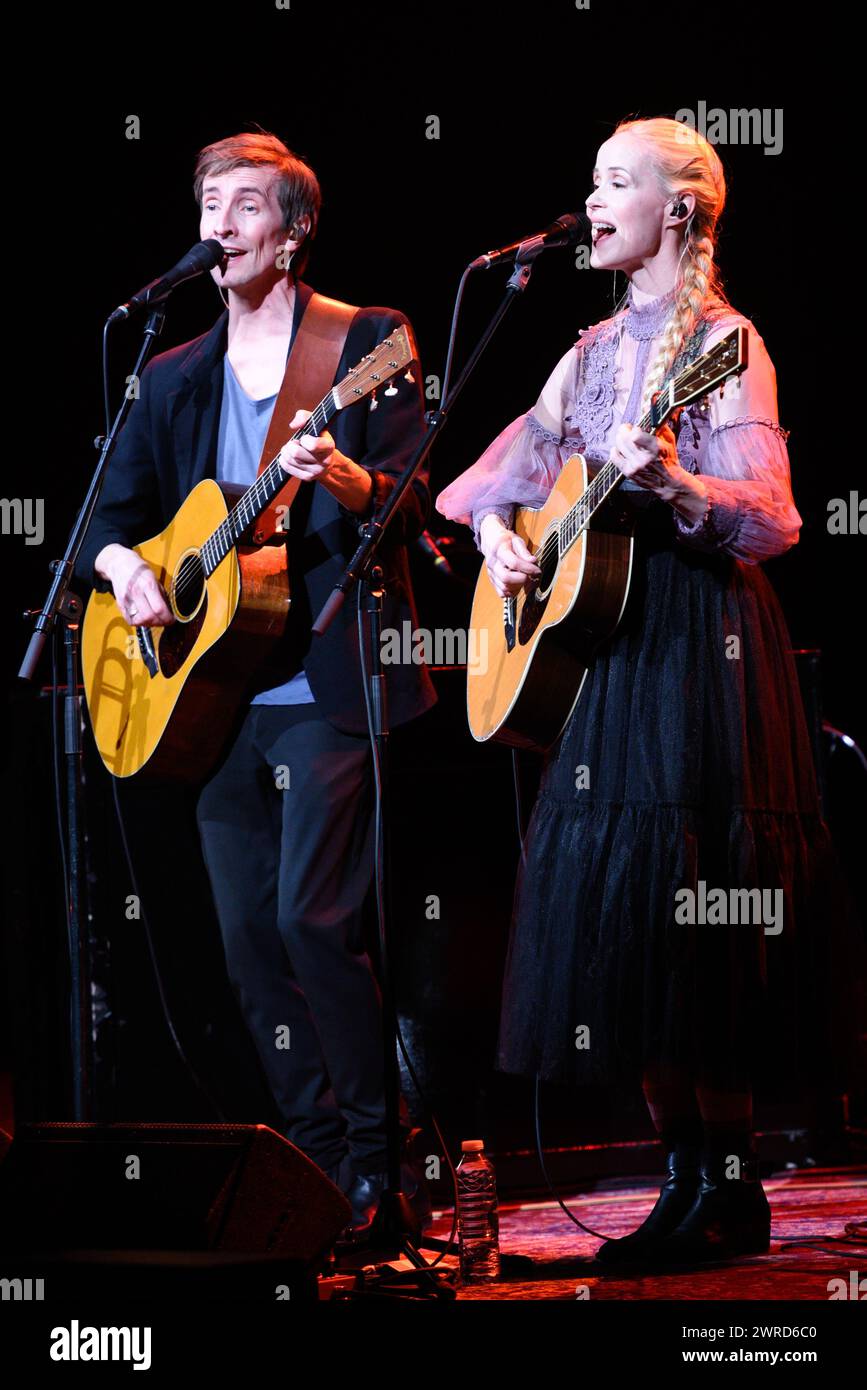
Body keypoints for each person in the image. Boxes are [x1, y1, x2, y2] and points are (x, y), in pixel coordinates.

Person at [436, 116, 866, 1267]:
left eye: (613, 184)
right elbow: (483, 480)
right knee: (615, 920)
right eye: (590, 182)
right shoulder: (581, 352)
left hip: (696, 649)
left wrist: (674, 475)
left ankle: (730, 1188)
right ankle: (682, 1174)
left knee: (691, 918)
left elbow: (775, 516)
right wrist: (497, 537)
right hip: (605, 657)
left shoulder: (727, 341)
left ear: (679, 210)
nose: (591, 203)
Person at [76, 131, 437, 1242]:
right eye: (207, 204)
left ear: (293, 230)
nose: (217, 225)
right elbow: (101, 517)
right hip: (213, 698)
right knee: (244, 939)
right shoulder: (172, 371)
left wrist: (353, 475)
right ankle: (317, 1175)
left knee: (315, 919)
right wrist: (128, 569)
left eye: (241, 206)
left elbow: (414, 494)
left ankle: (382, 1163)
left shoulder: (366, 343)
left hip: (327, 676)